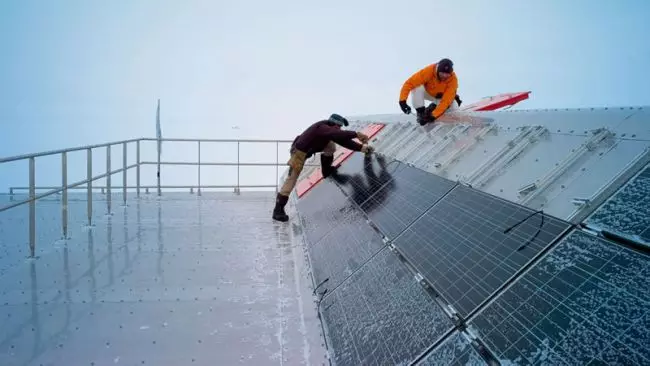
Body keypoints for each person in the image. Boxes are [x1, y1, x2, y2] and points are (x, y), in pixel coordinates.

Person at [272, 114, 374, 222]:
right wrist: (356, 134)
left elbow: (343, 140)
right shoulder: (323, 128)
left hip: (310, 148)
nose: (339, 129)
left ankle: (326, 170)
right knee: (291, 179)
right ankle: (278, 210)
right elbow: (336, 133)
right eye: (338, 126)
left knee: (330, 146)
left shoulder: (328, 131)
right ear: (333, 123)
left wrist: (362, 148)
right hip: (299, 153)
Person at [398, 58, 463, 126]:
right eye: (442, 73)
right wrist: (402, 101)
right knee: (416, 87)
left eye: (447, 74)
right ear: (438, 70)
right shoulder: (429, 71)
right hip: (427, 93)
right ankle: (421, 113)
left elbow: (446, 101)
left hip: (440, 98)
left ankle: (434, 110)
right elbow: (409, 83)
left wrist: (433, 116)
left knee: (454, 105)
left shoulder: (453, 80)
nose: (444, 76)